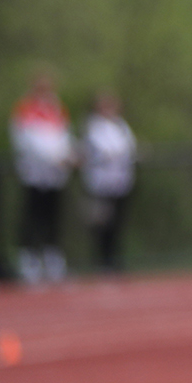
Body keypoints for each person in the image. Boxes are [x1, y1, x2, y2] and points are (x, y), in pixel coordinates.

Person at [11, 71, 75, 284]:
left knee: (53, 215)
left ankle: (52, 257)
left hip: (56, 174)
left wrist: (69, 155)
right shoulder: (25, 108)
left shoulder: (57, 108)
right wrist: (53, 157)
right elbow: (26, 141)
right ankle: (29, 259)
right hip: (35, 172)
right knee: (32, 214)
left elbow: (65, 136)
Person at [80, 91, 137, 272]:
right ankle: (103, 261)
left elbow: (130, 147)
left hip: (120, 181)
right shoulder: (93, 126)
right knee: (103, 223)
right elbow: (107, 150)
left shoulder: (121, 125)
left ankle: (115, 260)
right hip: (101, 184)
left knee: (118, 223)